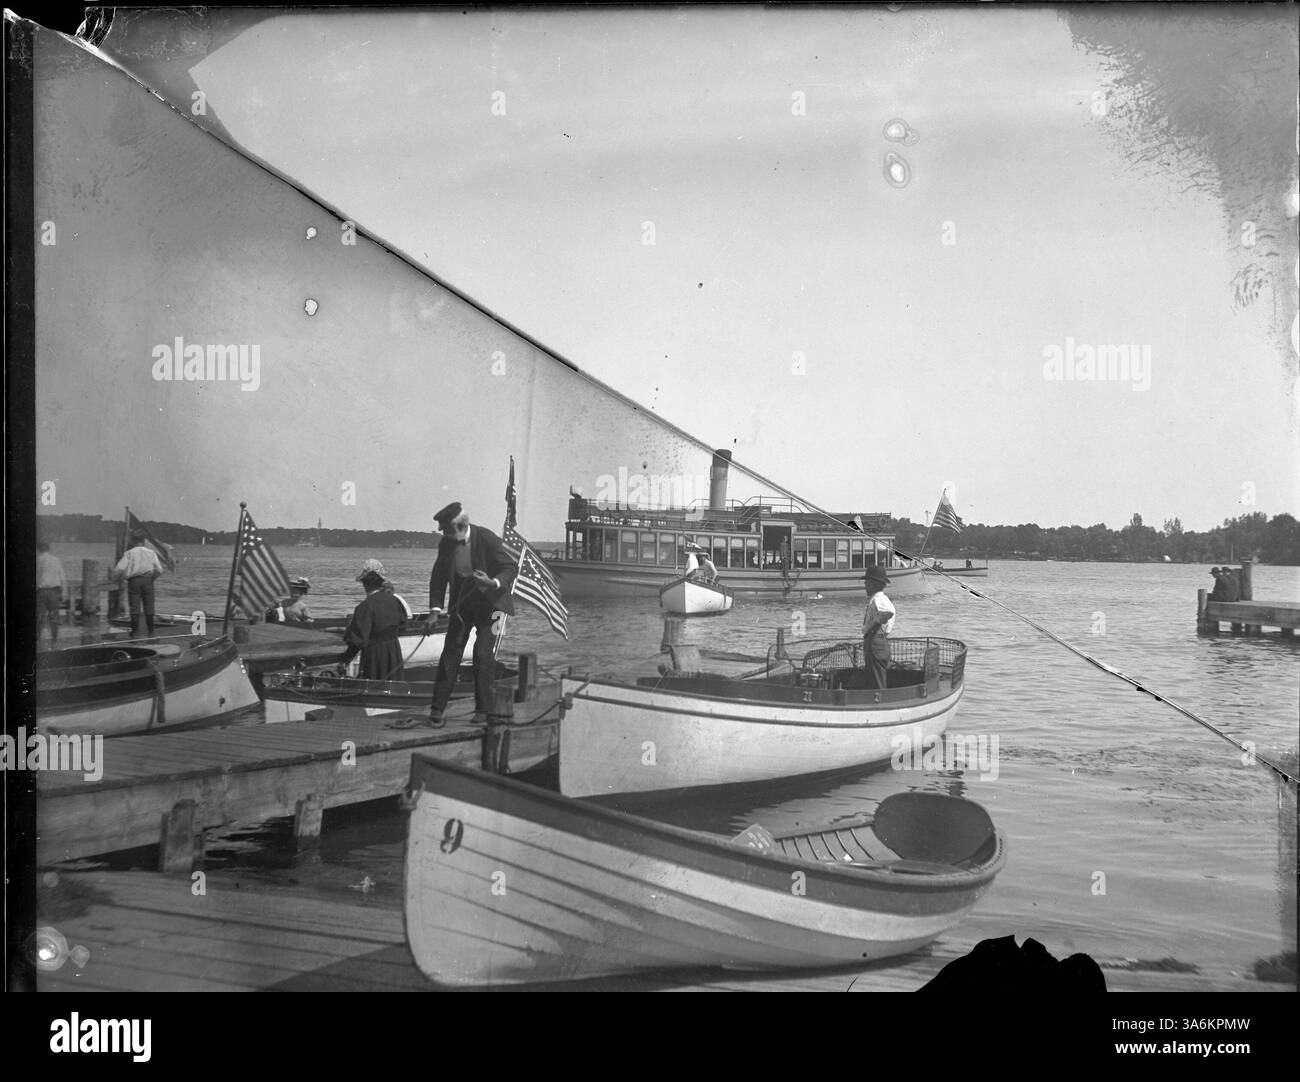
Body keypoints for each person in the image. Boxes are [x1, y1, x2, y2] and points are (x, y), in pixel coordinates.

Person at [422, 503, 516, 727]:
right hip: (462, 605)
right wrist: (434, 610)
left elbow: (511, 567)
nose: (444, 534)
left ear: (462, 526)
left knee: (483, 655)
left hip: (493, 607)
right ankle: (437, 710)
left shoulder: (486, 538)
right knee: (450, 654)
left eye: (447, 529)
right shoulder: (446, 544)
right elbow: (438, 578)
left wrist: (492, 582)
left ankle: (483, 710)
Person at [338, 567, 406, 680]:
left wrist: (345, 659)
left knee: (375, 682)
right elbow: (403, 625)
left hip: (375, 654)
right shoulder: (395, 600)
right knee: (393, 683)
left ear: (365, 584)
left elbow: (358, 640)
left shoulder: (365, 606)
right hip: (394, 650)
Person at [113, 529, 165, 636]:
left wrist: (121, 577)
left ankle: (134, 632)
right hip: (148, 581)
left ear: (132, 541)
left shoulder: (129, 553)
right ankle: (151, 631)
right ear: (144, 540)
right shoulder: (151, 553)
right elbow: (159, 570)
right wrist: (152, 578)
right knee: (149, 606)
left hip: (134, 581)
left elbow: (118, 569)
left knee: (134, 606)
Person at [861, 565, 895, 690]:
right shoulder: (878, 599)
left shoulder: (879, 599)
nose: (865, 585)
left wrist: (875, 625)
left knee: (876, 679)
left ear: (874, 584)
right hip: (878, 641)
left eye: (867, 582)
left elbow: (889, 611)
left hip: (876, 641)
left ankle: (879, 703)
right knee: (875, 675)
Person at [36, 542, 65, 644]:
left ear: (39, 550)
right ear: (49, 549)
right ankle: (54, 639)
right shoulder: (56, 560)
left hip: (41, 592)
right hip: (54, 591)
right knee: (54, 616)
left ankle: (37, 639)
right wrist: (63, 593)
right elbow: (62, 578)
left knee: (39, 616)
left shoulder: (38, 560)